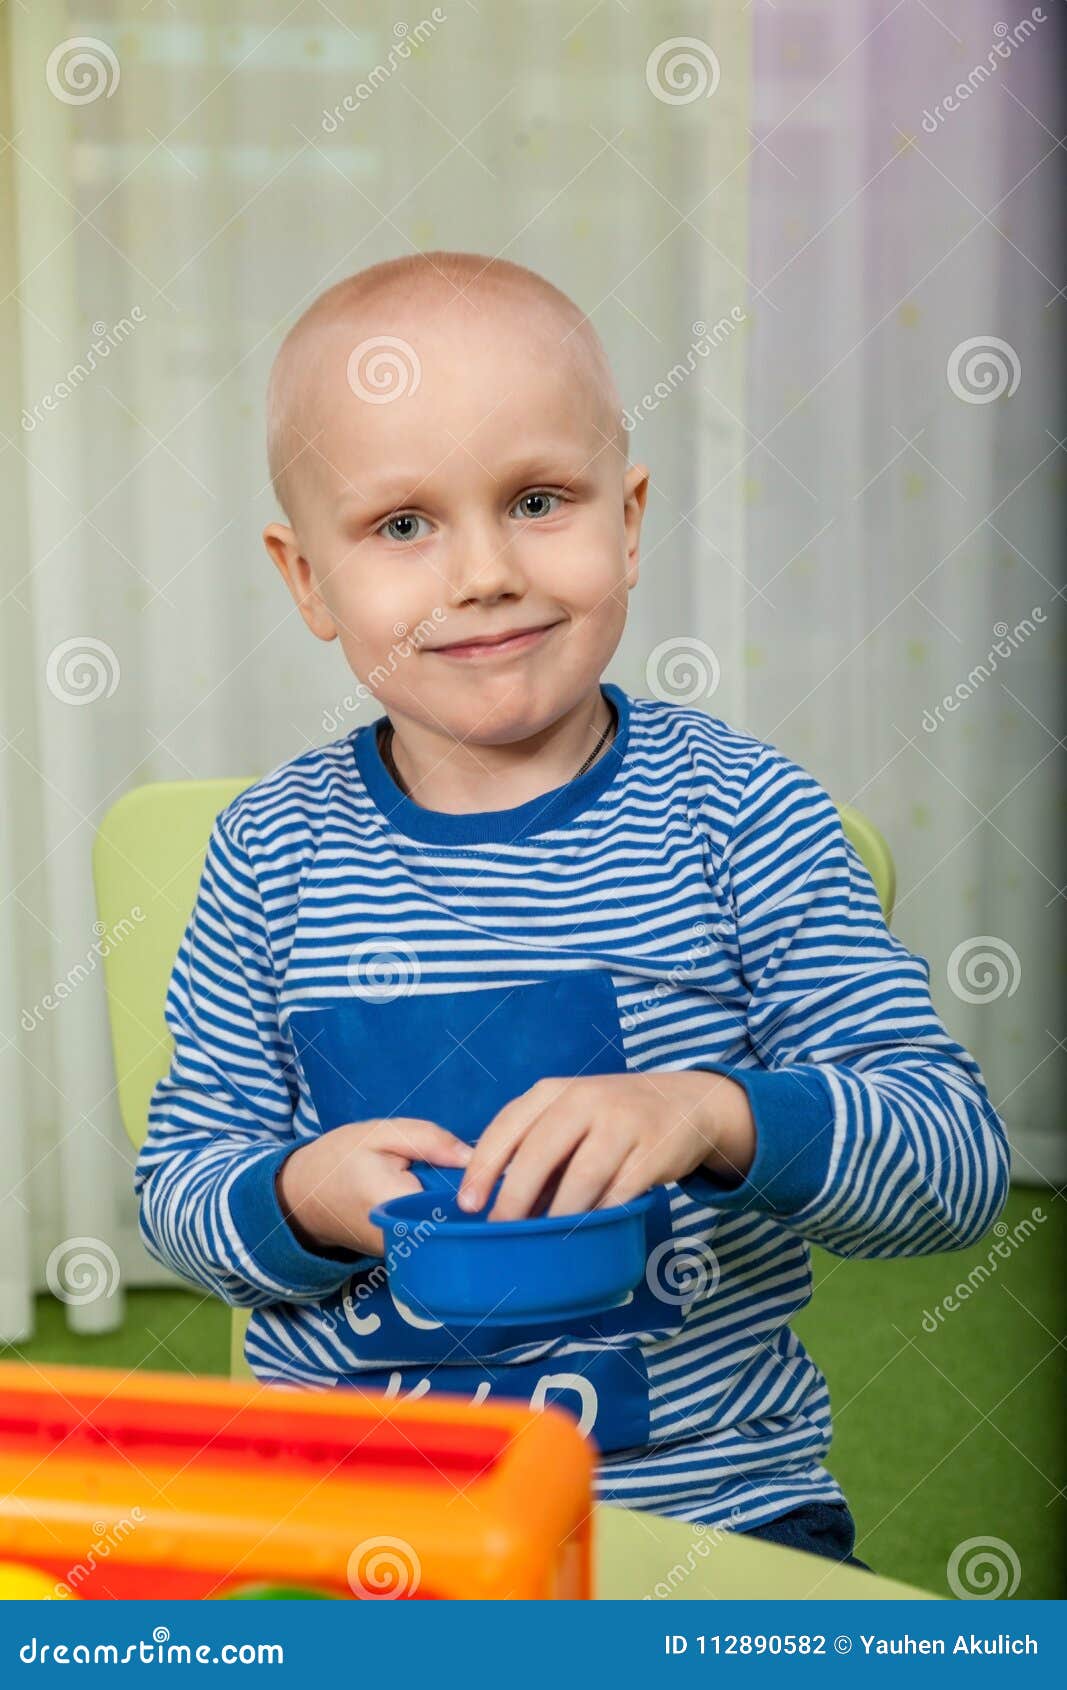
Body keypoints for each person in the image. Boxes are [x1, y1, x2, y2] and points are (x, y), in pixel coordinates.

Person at [133, 251, 1009, 1567]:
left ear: (631, 518)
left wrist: (711, 1112)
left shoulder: (743, 815)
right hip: (367, 1533)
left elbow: (952, 1165)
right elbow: (182, 1184)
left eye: (538, 499)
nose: (483, 570)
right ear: (307, 578)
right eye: (402, 525)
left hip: (715, 1518)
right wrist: (302, 1199)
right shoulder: (268, 853)